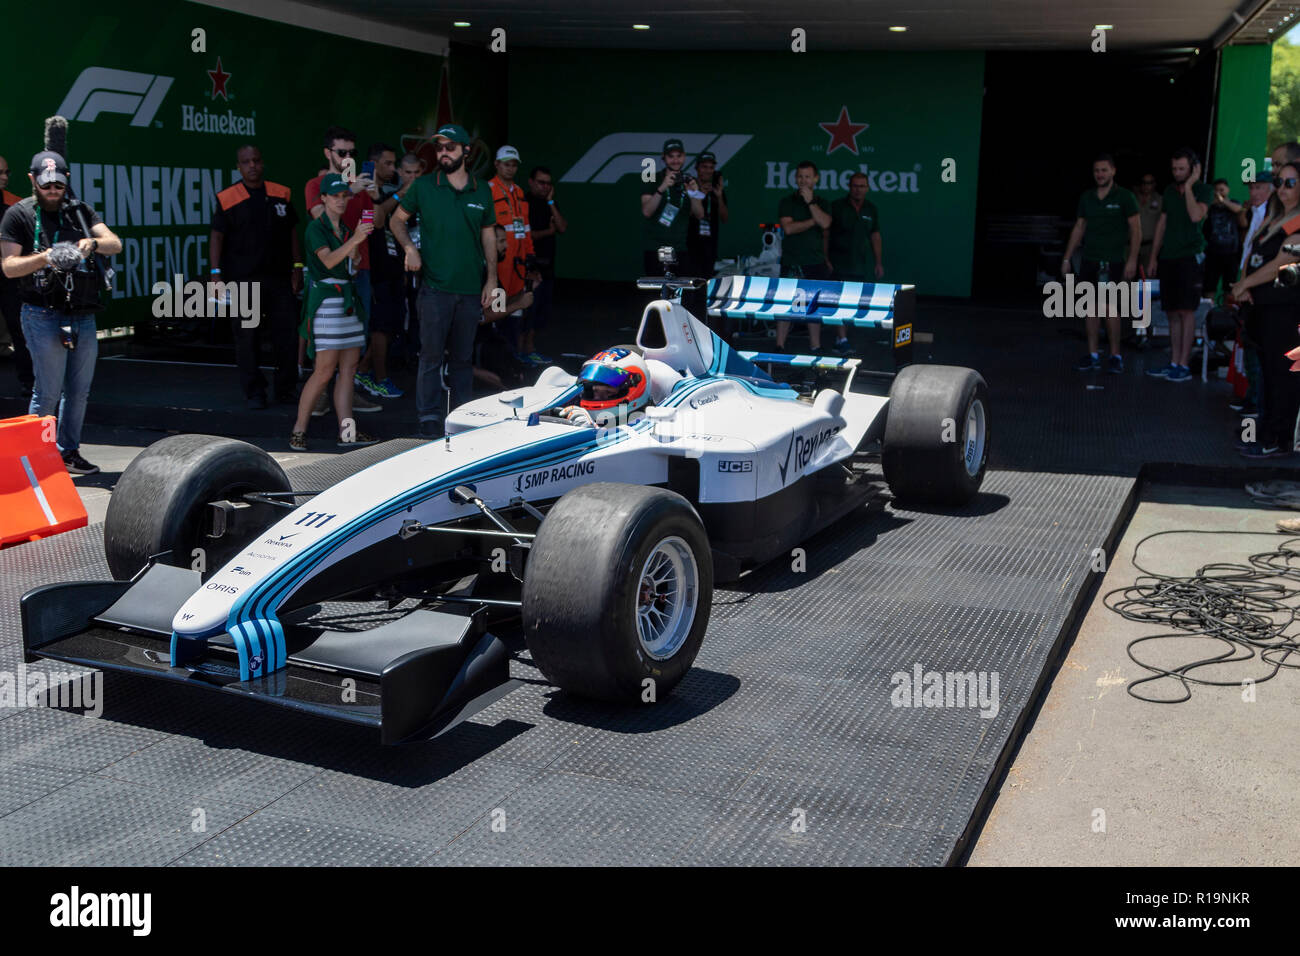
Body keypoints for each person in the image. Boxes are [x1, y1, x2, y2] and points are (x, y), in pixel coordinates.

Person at [0, 151, 122, 474]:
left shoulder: (79, 211)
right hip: (41, 313)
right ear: (32, 180)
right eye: (46, 183)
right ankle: (37, 461)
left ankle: (68, 451)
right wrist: (46, 257)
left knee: (79, 390)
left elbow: (115, 243)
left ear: (67, 179)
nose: (53, 189)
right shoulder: (18, 214)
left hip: (81, 311)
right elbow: (9, 267)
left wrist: (91, 245)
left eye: (58, 183)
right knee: (48, 391)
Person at [389, 124, 498, 438]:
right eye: (439, 148)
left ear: (466, 151)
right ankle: (428, 417)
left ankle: (463, 417)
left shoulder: (482, 189)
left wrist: (491, 280)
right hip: (434, 288)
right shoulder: (424, 186)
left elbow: (488, 234)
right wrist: (410, 248)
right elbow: (396, 219)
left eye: (450, 147)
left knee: (463, 359)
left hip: (469, 289)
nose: (444, 153)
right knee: (431, 356)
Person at [209, 144, 303, 409]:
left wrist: (298, 266)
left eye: (256, 160)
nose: (252, 165)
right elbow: (217, 235)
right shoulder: (227, 197)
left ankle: (285, 389)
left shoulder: (280, 193)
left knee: (286, 336)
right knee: (246, 339)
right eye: (246, 162)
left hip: (279, 278)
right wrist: (216, 275)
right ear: (238, 167)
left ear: (262, 163)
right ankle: (254, 392)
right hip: (242, 279)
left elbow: (292, 232)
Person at [290, 173, 377, 451]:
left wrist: (355, 253)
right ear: (323, 199)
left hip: (347, 301)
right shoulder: (317, 228)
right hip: (327, 302)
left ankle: (346, 431)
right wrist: (355, 244)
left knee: (348, 370)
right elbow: (327, 261)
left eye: (344, 196)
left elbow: (351, 266)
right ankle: (298, 431)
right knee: (324, 371)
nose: (341, 201)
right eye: (336, 196)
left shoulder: (348, 230)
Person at [303, 126, 381, 416]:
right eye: (341, 152)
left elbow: (377, 222)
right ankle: (321, 394)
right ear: (328, 153)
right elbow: (318, 219)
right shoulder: (316, 184)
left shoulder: (359, 188)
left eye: (352, 152)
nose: (348, 157)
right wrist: (350, 191)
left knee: (355, 336)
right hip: (328, 274)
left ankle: (347, 392)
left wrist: (374, 193)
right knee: (324, 338)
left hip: (359, 270)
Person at [1229, 163, 1300, 458]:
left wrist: (1244, 284)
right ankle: (1267, 432)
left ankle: (1278, 439)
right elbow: (1254, 251)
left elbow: (1279, 265)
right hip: (1261, 310)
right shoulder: (1275, 216)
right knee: (1267, 375)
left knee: (1282, 375)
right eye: (1279, 182)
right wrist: (1245, 286)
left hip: (1285, 311)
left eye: (1290, 182)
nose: (1282, 188)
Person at [1060, 153, 1140, 373]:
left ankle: (1115, 355)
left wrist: (1132, 259)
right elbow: (1079, 227)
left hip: (1114, 261)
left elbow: (1136, 229)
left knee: (1111, 309)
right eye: (1097, 171)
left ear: (1113, 171)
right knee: (1091, 308)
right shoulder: (1087, 197)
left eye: (1104, 170)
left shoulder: (1124, 196)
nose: (1100, 174)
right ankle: (1093, 353)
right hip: (1090, 260)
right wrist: (1067, 258)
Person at [1147, 148, 1213, 383]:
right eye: (1174, 169)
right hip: (1169, 257)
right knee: (1172, 311)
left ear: (1193, 168)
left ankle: (1184, 364)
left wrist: (1191, 185)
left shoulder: (1203, 190)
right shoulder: (1168, 190)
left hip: (1190, 257)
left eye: (1182, 169)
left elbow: (1196, 216)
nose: (1177, 173)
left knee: (1186, 311)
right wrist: (1154, 256)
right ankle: (1174, 361)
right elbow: (1162, 224)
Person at [354, 143, 405, 400]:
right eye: (388, 163)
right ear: (372, 165)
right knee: (380, 326)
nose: (393, 169)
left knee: (392, 324)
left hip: (394, 265)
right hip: (371, 268)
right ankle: (379, 378)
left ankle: (363, 370)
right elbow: (374, 220)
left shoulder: (391, 190)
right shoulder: (359, 190)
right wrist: (392, 196)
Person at [1231, 166, 1274, 419]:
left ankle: (1257, 402)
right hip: (1247, 283)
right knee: (1249, 343)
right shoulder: (1255, 212)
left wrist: (1248, 284)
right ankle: (1253, 397)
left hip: (1259, 287)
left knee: (1257, 345)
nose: (1254, 192)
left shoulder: (1271, 214)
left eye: (1259, 187)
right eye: (1252, 187)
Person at [776, 160, 833, 352]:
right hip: (792, 262)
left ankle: (815, 347)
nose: (803, 180)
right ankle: (779, 346)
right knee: (787, 307)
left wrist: (810, 202)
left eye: (807, 176)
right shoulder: (787, 201)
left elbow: (825, 223)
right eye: (800, 176)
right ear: (795, 178)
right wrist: (812, 221)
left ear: (815, 179)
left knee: (813, 307)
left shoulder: (823, 202)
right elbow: (789, 228)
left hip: (815, 262)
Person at [488, 145, 537, 364]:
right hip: (498, 264)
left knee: (518, 306)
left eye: (514, 165)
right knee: (497, 308)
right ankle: (496, 355)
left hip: (518, 264)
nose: (510, 168)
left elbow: (524, 228)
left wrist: (530, 256)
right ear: (497, 165)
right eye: (506, 164)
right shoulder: (488, 190)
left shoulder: (518, 192)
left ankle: (513, 355)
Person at [827, 171, 884, 355]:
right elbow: (825, 234)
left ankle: (840, 338)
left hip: (859, 265)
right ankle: (842, 339)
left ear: (867, 188)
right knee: (838, 302)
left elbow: (875, 236)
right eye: (855, 186)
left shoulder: (871, 208)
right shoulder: (836, 206)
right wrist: (826, 259)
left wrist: (878, 262)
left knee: (851, 303)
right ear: (849, 187)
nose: (858, 190)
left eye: (862, 186)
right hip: (838, 263)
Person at [640, 138, 704, 277]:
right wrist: (662, 188)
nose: (675, 160)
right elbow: (646, 211)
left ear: (684, 157)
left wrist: (693, 193)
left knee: (680, 294)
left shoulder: (689, 181)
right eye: (671, 156)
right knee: (655, 294)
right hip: (655, 248)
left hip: (680, 248)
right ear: (664, 158)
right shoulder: (652, 178)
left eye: (679, 156)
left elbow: (699, 214)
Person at [545, 347, 651, 427]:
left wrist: (591, 432)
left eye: (607, 392)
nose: (596, 398)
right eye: (594, 390)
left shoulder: (648, 424)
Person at [525, 165, 566, 365]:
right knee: (526, 312)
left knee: (541, 312)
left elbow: (562, 227)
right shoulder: (523, 202)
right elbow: (526, 235)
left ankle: (529, 351)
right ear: (531, 182)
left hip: (548, 266)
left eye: (548, 183)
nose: (544, 186)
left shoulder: (550, 202)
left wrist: (550, 201)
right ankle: (524, 351)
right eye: (541, 182)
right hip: (529, 268)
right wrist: (548, 233)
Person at [0, 155, 33, 397]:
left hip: (9, 279)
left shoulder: (15, 205)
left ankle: (30, 383)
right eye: (0, 173)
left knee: (20, 329)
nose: (4, 177)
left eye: (6, 172)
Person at [687, 150, 727, 328]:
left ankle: (702, 325)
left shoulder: (716, 191)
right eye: (704, 167)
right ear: (697, 168)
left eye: (711, 167)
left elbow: (725, 218)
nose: (708, 171)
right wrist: (696, 195)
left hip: (709, 247)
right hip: (690, 246)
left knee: (705, 288)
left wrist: (718, 196)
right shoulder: (690, 187)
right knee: (689, 288)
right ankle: (687, 324)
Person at [1202, 178, 1243, 303]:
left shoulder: (1233, 202)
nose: (1219, 193)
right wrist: (1212, 203)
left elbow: (1238, 209)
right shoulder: (1210, 205)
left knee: (1229, 288)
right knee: (1209, 286)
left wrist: (1223, 201)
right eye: (1216, 190)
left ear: (1228, 190)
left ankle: (1227, 315)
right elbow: (1201, 217)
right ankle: (1208, 315)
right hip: (1213, 253)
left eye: (1222, 190)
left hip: (1231, 253)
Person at [1135, 172, 1161, 266]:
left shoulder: (1160, 200)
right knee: (1126, 278)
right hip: (1130, 245)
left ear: (1154, 184)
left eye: (1149, 183)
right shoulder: (1132, 198)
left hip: (1149, 246)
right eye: (1144, 182)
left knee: (1147, 278)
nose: (1146, 185)